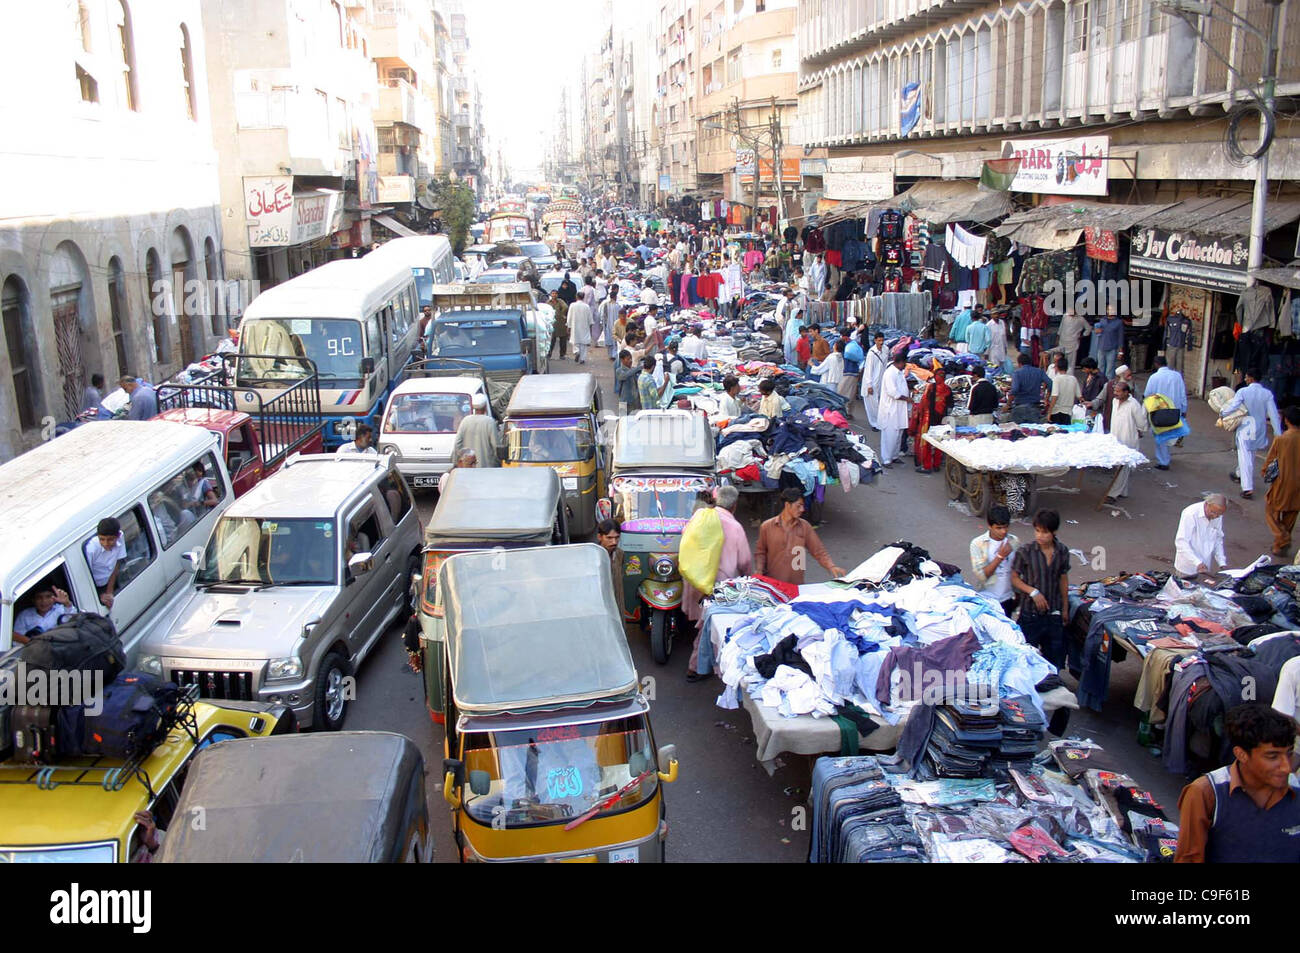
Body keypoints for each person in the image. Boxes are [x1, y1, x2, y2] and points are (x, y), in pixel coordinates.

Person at [1174, 702, 1300, 863]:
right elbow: (1189, 859)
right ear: (1241, 754)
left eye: (1289, 753)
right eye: (1272, 756)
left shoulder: (1296, 791)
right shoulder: (1206, 793)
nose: (1286, 767)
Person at [685, 485, 752, 682]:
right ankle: (695, 667)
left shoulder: (699, 517)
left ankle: (699, 665)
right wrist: (749, 579)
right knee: (710, 626)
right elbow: (744, 561)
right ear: (735, 506)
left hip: (695, 580)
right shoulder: (735, 527)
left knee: (705, 623)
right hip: (720, 586)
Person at [1010, 508, 1071, 667]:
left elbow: (1063, 579)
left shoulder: (1063, 551)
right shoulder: (1025, 551)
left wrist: (1065, 608)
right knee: (1026, 659)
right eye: (1037, 531)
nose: (1040, 536)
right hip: (1030, 614)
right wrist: (1033, 592)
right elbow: (1014, 578)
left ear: (1054, 532)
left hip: (1054, 613)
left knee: (1054, 660)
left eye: (1044, 532)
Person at [755, 488, 845, 586]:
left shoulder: (805, 526)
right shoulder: (767, 526)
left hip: (796, 586)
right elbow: (760, 553)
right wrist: (759, 572)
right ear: (787, 505)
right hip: (772, 585)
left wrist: (831, 566)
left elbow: (818, 551)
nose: (802, 510)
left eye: (802, 506)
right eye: (798, 506)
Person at [1222, 370, 1282, 500]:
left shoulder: (1243, 392)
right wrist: (1278, 433)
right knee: (1251, 454)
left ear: (1250, 378)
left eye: (1246, 377)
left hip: (1246, 427)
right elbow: (1273, 414)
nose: (1245, 378)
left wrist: (1223, 413)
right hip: (1259, 428)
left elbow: (1234, 406)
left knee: (1245, 456)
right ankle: (1239, 474)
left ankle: (1247, 488)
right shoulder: (1267, 394)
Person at [969, 505, 1020, 617]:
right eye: (999, 528)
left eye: (1006, 527)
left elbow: (1018, 570)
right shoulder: (977, 544)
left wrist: (1018, 596)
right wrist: (1000, 556)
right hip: (987, 599)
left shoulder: (1014, 541)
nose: (1003, 531)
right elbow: (982, 576)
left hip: (1008, 598)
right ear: (989, 526)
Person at [1263, 405, 1300, 556]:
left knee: (1271, 511)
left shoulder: (1282, 439)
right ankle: (1279, 546)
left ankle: (1282, 538)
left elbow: (1270, 461)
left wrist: (1265, 472)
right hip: (1298, 486)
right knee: (1290, 515)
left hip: (1282, 483)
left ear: (1286, 420)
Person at [1103, 381, 1147, 503]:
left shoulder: (1134, 405)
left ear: (1126, 392)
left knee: (1122, 467)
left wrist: (1140, 431)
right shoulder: (1115, 401)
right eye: (1115, 391)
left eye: (1118, 391)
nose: (1115, 394)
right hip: (1115, 438)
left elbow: (1141, 424)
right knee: (1121, 467)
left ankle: (1113, 494)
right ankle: (1123, 491)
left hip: (1128, 440)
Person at [1144, 354, 1188, 470]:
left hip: (1160, 411)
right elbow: (1183, 394)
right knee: (1169, 434)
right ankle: (1165, 457)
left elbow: (1148, 395)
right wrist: (1184, 409)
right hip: (1175, 410)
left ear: (1156, 364)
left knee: (1161, 436)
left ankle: (1163, 461)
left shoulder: (1154, 377)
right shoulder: (1177, 376)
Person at [1173, 493, 1228, 580]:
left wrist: (1222, 563)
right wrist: (1197, 563)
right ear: (1206, 504)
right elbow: (1181, 542)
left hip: (1204, 568)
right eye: (1212, 512)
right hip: (1187, 568)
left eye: (1218, 515)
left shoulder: (1217, 515)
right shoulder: (1190, 514)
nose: (1215, 516)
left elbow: (1218, 539)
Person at [911, 367, 951, 473]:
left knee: (927, 442)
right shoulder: (948, 389)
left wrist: (919, 415)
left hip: (929, 419)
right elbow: (951, 405)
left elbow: (923, 403)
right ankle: (936, 465)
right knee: (939, 442)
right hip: (942, 420)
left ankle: (927, 466)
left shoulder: (931, 388)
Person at [84, 517, 125, 609]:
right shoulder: (91, 549)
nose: (106, 543)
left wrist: (109, 592)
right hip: (95, 586)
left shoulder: (121, 537)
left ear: (118, 536)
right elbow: (85, 578)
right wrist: (99, 596)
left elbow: (117, 563)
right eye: (102, 539)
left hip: (110, 581)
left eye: (110, 539)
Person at [879, 352, 911, 467]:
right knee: (890, 434)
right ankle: (886, 458)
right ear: (901, 362)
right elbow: (892, 392)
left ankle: (894, 456)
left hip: (900, 408)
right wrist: (906, 398)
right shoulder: (890, 373)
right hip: (891, 408)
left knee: (899, 433)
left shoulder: (899, 373)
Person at [451, 393, 499, 468]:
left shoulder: (465, 421)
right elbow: (496, 447)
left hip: (468, 467)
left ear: (472, 406)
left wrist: (456, 463)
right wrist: (497, 464)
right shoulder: (490, 422)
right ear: (485, 407)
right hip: (486, 468)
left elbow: (457, 444)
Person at [1008, 352, 1050, 424]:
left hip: (1019, 406)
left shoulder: (1017, 373)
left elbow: (1015, 390)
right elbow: (1051, 384)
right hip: (1035, 406)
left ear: (1020, 363)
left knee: (1020, 431)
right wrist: (1047, 399)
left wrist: (1008, 404)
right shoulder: (1039, 372)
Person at [861, 332, 888, 430]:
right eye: (879, 340)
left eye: (882, 340)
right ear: (875, 341)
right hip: (871, 381)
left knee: (880, 403)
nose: (881, 343)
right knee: (872, 405)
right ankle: (874, 424)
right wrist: (869, 385)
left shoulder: (886, 349)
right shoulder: (871, 353)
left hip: (881, 380)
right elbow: (868, 369)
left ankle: (880, 422)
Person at [1047, 355, 1080, 424]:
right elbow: (1079, 396)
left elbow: (1054, 396)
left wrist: (1049, 411)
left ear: (1057, 368)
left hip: (1057, 411)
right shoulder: (1073, 379)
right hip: (1068, 412)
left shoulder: (1057, 379)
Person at [1095, 306, 1125, 380]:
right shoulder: (1102, 320)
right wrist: (1097, 331)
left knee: (1110, 369)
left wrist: (1120, 351)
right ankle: (1099, 384)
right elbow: (1097, 331)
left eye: (1112, 309)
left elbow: (1120, 337)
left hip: (1112, 348)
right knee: (1100, 367)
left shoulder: (1119, 322)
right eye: (1109, 309)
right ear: (1107, 310)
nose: (1111, 311)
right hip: (1101, 347)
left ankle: (1108, 386)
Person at [839, 330, 864, 419]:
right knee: (851, 393)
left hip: (849, 372)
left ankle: (845, 412)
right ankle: (848, 412)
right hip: (853, 372)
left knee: (843, 393)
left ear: (845, 337)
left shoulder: (850, 347)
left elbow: (848, 356)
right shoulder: (854, 345)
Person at [568, 293, 593, 364]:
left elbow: (569, 317)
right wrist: (590, 327)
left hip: (575, 326)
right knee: (583, 343)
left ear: (576, 297)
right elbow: (590, 319)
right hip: (584, 326)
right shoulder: (586, 306)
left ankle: (576, 352)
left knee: (575, 341)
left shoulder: (572, 305)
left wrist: (568, 326)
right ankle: (582, 359)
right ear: (583, 297)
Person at [987, 308, 1011, 374]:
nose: (996, 315)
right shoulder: (989, 325)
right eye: (994, 314)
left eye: (997, 314)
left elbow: (1004, 336)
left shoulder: (1002, 322)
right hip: (993, 349)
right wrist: (986, 352)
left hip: (1002, 348)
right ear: (991, 315)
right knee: (994, 367)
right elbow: (987, 340)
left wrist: (1005, 347)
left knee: (1002, 366)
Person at [547, 290, 569, 359]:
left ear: (557, 295)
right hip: (552, 324)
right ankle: (549, 354)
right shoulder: (548, 303)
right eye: (553, 293)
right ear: (551, 295)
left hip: (561, 323)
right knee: (551, 340)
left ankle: (562, 354)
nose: (554, 295)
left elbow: (565, 307)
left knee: (563, 339)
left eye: (555, 294)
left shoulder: (560, 301)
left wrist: (562, 313)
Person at [598, 293, 619, 360]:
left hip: (608, 325)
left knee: (609, 339)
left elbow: (603, 315)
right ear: (615, 297)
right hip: (615, 325)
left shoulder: (606, 305)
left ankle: (610, 354)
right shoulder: (617, 306)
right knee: (615, 340)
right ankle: (614, 354)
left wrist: (604, 323)